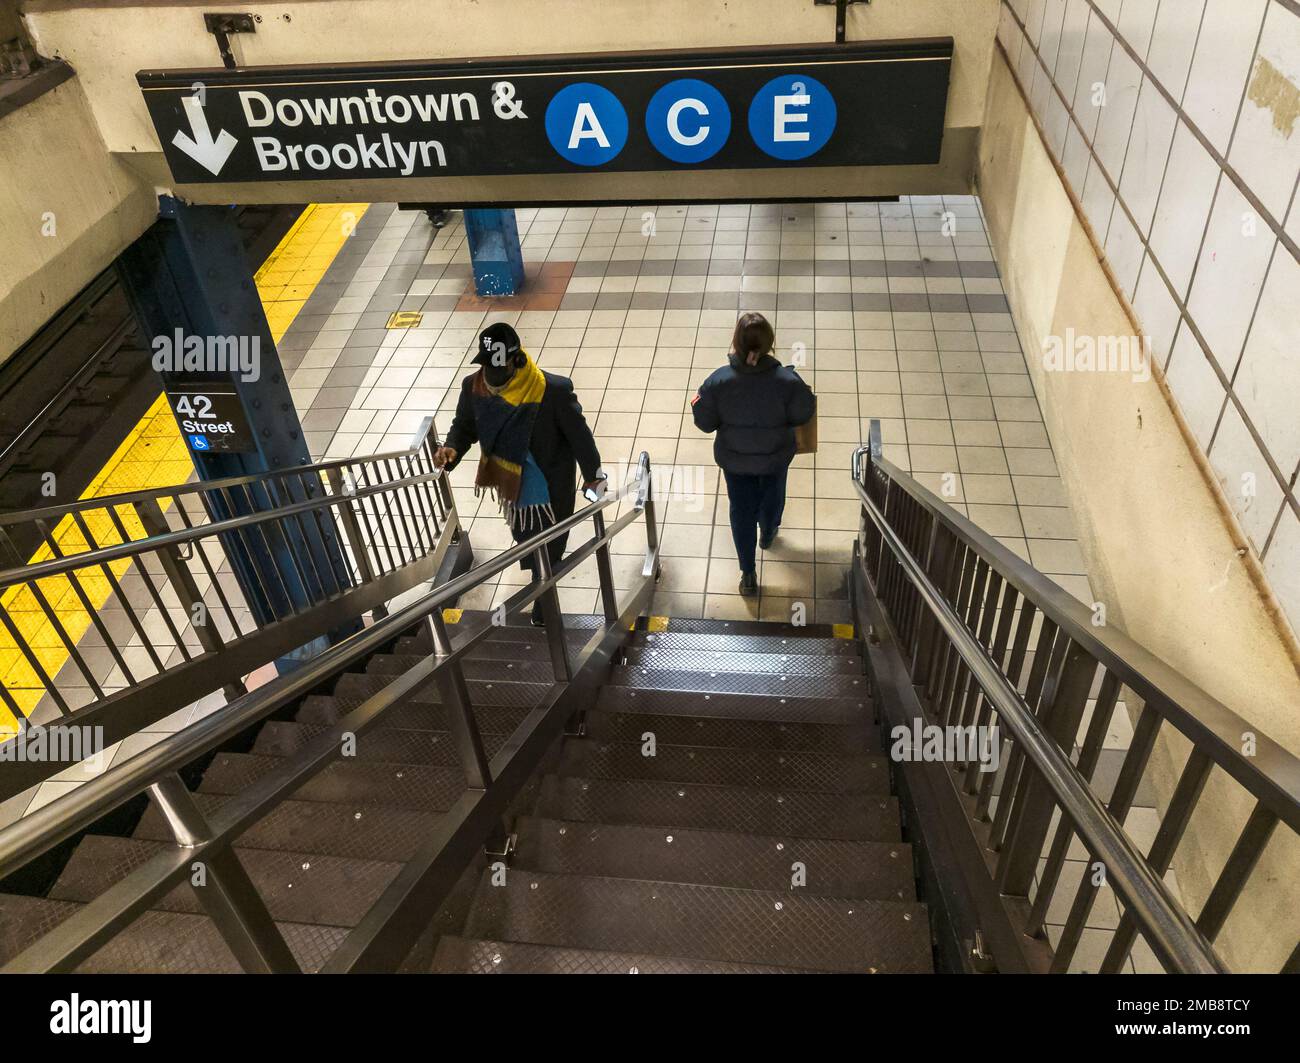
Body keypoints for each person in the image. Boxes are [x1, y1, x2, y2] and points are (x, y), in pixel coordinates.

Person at [434, 322, 605, 625]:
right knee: (525, 537)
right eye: (488, 370)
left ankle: (543, 607)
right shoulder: (473, 387)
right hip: (514, 489)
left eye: (500, 374)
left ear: (516, 360)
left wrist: (593, 477)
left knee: (549, 550)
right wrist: (452, 449)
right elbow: (464, 425)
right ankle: (539, 574)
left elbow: (581, 438)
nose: (493, 381)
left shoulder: (552, 391)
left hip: (551, 491)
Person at [691, 312, 815, 598]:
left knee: (740, 510)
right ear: (770, 342)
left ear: (736, 343)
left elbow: (704, 423)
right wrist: (794, 379)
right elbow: (803, 413)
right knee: (773, 498)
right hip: (774, 458)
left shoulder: (718, 381)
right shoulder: (787, 381)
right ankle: (768, 532)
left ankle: (747, 573)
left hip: (735, 462)